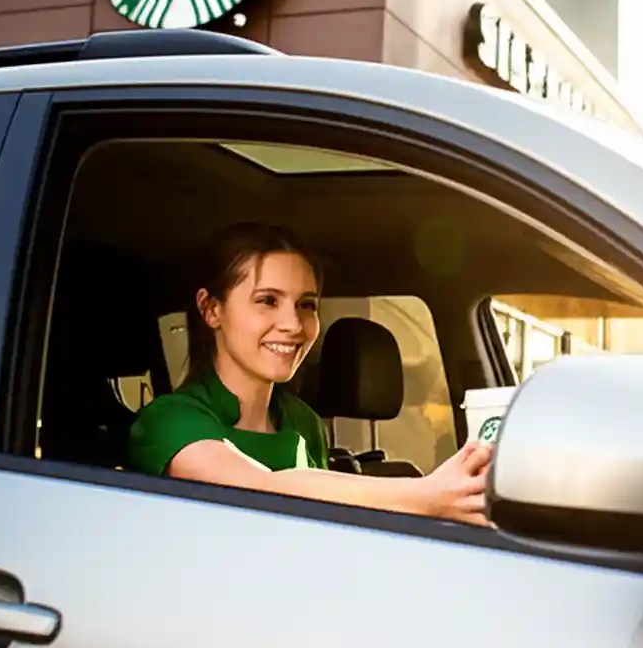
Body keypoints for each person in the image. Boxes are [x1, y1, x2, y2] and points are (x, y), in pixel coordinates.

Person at [129, 222, 492, 526]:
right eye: (267, 301)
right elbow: (261, 490)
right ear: (211, 310)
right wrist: (426, 495)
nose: (293, 325)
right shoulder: (167, 421)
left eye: (306, 305)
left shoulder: (303, 423)